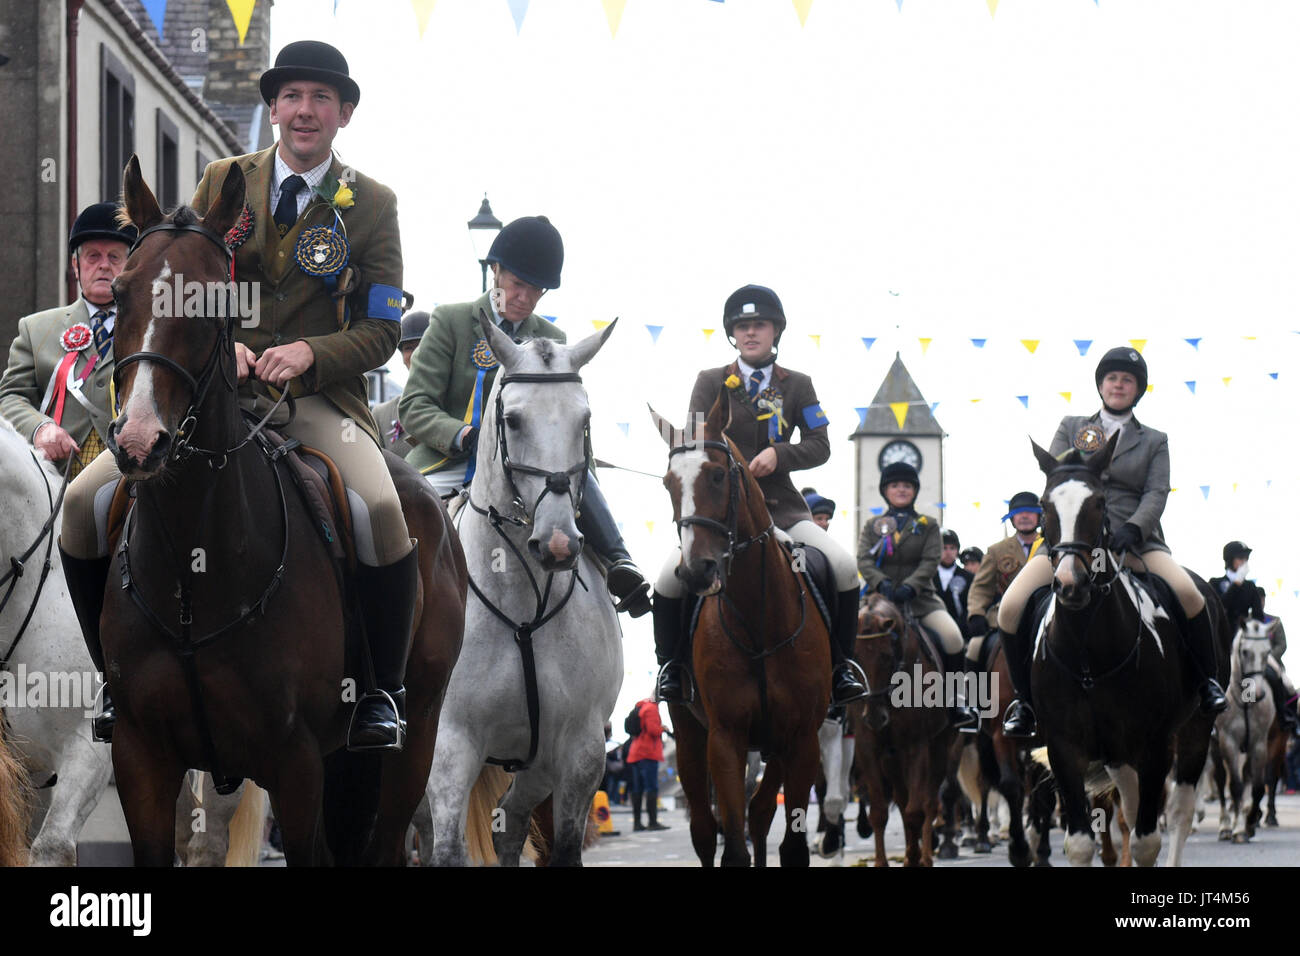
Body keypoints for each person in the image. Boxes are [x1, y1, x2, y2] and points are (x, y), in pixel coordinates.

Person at [59, 40, 417, 751]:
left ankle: (379, 690)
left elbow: (381, 330)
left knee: (379, 510)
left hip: (318, 400)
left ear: (343, 114)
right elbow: (179, 274)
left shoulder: (371, 204)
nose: (304, 110)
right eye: (291, 97)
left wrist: (311, 353)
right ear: (273, 108)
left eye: (320, 98)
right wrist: (230, 345)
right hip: (211, 389)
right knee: (81, 504)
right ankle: (115, 677)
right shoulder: (224, 178)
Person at [398, 216, 651, 617]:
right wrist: (465, 435)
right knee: (396, 519)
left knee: (574, 475)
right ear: (494, 270)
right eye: (518, 284)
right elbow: (414, 406)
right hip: (452, 459)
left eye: (536, 290)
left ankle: (619, 562)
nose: (526, 298)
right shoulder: (451, 320)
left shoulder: (556, 343)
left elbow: (568, 425)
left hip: (533, 461)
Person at [995, 346, 1228, 738]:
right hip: (1073, 540)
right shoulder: (1072, 426)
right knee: (1010, 607)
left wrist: (1134, 528)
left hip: (1134, 541)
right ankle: (1024, 700)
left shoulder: (1154, 440)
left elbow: (1156, 492)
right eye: (1112, 378)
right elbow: (1056, 479)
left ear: (1137, 390)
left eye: (1127, 380)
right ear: (1101, 385)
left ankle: (1206, 682)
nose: (1119, 385)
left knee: (1190, 595)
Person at [651, 285, 867, 706]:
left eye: (759, 325)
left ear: (775, 331)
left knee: (841, 566)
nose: (750, 333)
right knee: (666, 579)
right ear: (733, 334)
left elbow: (821, 444)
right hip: (719, 514)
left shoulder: (799, 385)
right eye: (742, 326)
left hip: (782, 510)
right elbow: (695, 441)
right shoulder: (710, 381)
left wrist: (780, 454)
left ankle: (841, 668)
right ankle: (672, 668)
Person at [0, 203, 137, 481]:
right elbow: (10, 397)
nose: (103, 265)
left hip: (131, 475)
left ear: (130, 266)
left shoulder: (151, 330)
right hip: (55, 477)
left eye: (114, 257)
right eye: (93, 256)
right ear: (75, 264)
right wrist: (40, 428)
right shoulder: (35, 329)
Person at [857, 462, 979, 731]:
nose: (901, 490)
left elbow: (930, 559)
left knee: (953, 638)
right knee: (852, 635)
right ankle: (843, 699)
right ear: (885, 490)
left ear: (914, 491)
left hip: (920, 600)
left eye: (907, 486)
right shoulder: (872, 525)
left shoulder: (928, 525)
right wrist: (883, 583)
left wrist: (911, 586)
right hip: (880, 601)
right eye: (895, 485)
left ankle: (957, 701)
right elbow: (863, 559)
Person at [1209, 541, 1298, 737]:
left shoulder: (1251, 587)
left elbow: (1257, 616)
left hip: (1247, 644)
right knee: (1208, 674)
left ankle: (1284, 715)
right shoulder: (1216, 583)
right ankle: (1210, 723)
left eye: (1246, 559)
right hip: (1224, 642)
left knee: (1275, 675)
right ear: (1230, 561)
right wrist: (1235, 585)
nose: (1244, 562)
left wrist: (1254, 635)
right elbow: (1219, 608)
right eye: (1240, 558)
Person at [964, 492, 1043, 675]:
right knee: (975, 648)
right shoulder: (996, 551)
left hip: (1044, 609)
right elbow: (981, 587)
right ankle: (977, 700)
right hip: (1007, 614)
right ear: (1011, 518)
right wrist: (976, 613)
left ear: (1039, 516)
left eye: (1030, 512)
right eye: (1019, 512)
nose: (1024, 516)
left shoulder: (1051, 544)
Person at [371, 309, 429, 459]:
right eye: (408, 348)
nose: (415, 354)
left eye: (422, 345)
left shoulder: (460, 403)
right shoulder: (381, 415)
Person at [626, 697, 669, 832]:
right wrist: (663, 728)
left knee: (637, 789)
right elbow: (652, 730)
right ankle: (652, 822)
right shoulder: (652, 708)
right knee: (651, 788)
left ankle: (637, 823)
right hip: (647, 752)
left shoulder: (642, 707)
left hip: (636, 752)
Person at [933, 528, 974, 637]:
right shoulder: (928, 575)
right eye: (944, 548)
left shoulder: (968, 577)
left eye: (952, 548)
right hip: (933, 627)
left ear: (957, 550)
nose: (948, 552)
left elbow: (971, 604)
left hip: (962, 630)